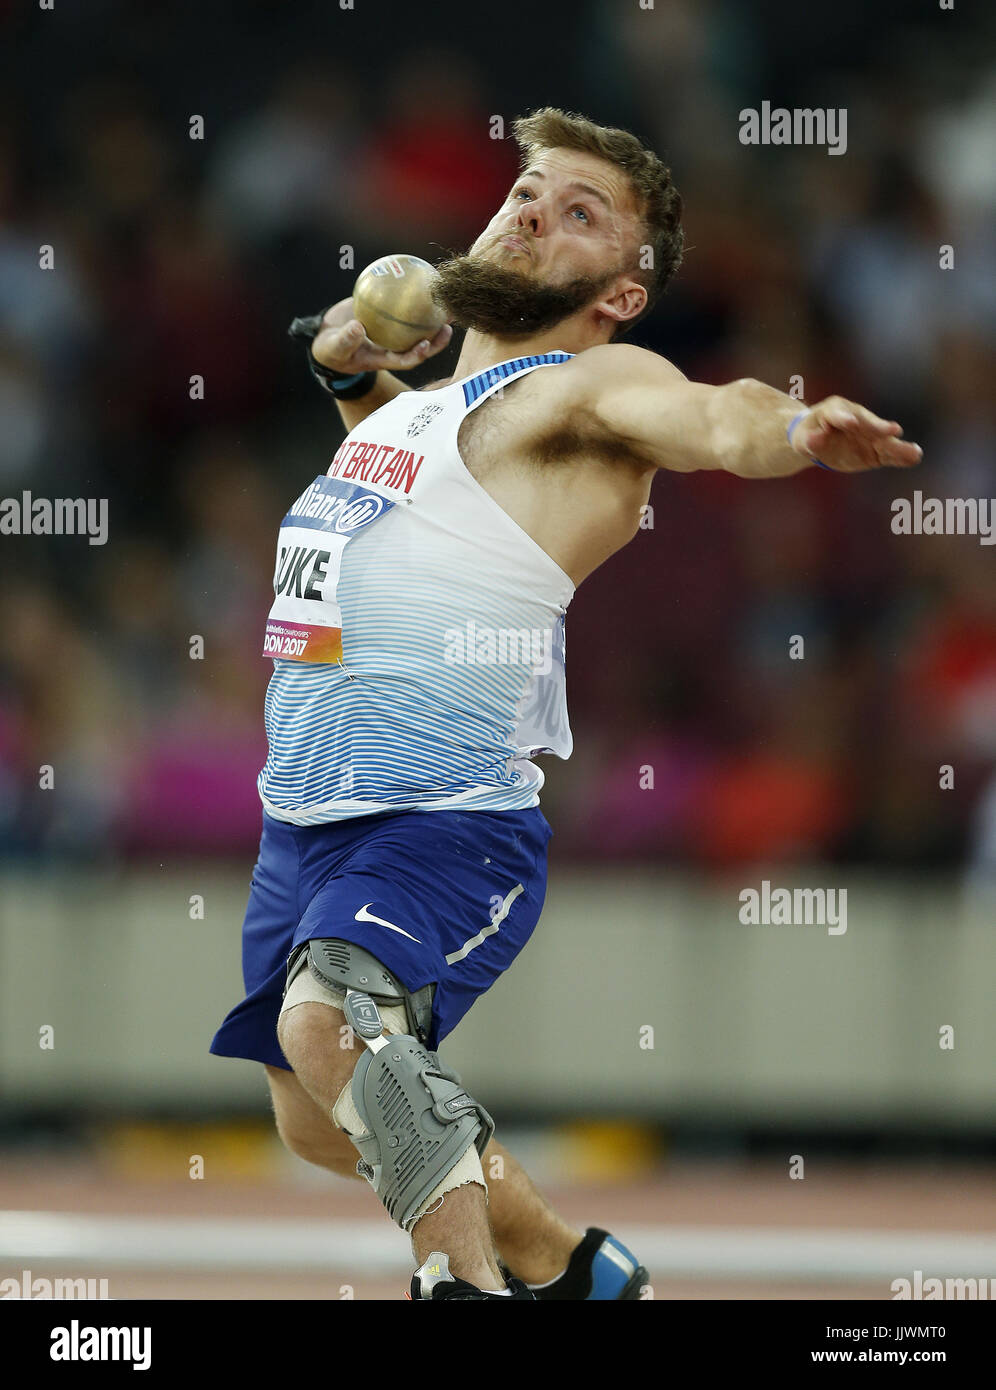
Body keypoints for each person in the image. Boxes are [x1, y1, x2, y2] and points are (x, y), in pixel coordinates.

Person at [211, 107, 921, 1301]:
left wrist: (792, 426)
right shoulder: (425, 412)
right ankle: (569, 1266)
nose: (535, 211)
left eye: (582, 215)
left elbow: (706, 415)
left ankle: (469, 1284)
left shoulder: (587, 386)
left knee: (333, 1022)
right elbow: (407, 489)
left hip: (442, 824)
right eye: (529, 190)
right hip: (303, 828)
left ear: (622, 294)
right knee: (315, 1120)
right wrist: (348, 372)